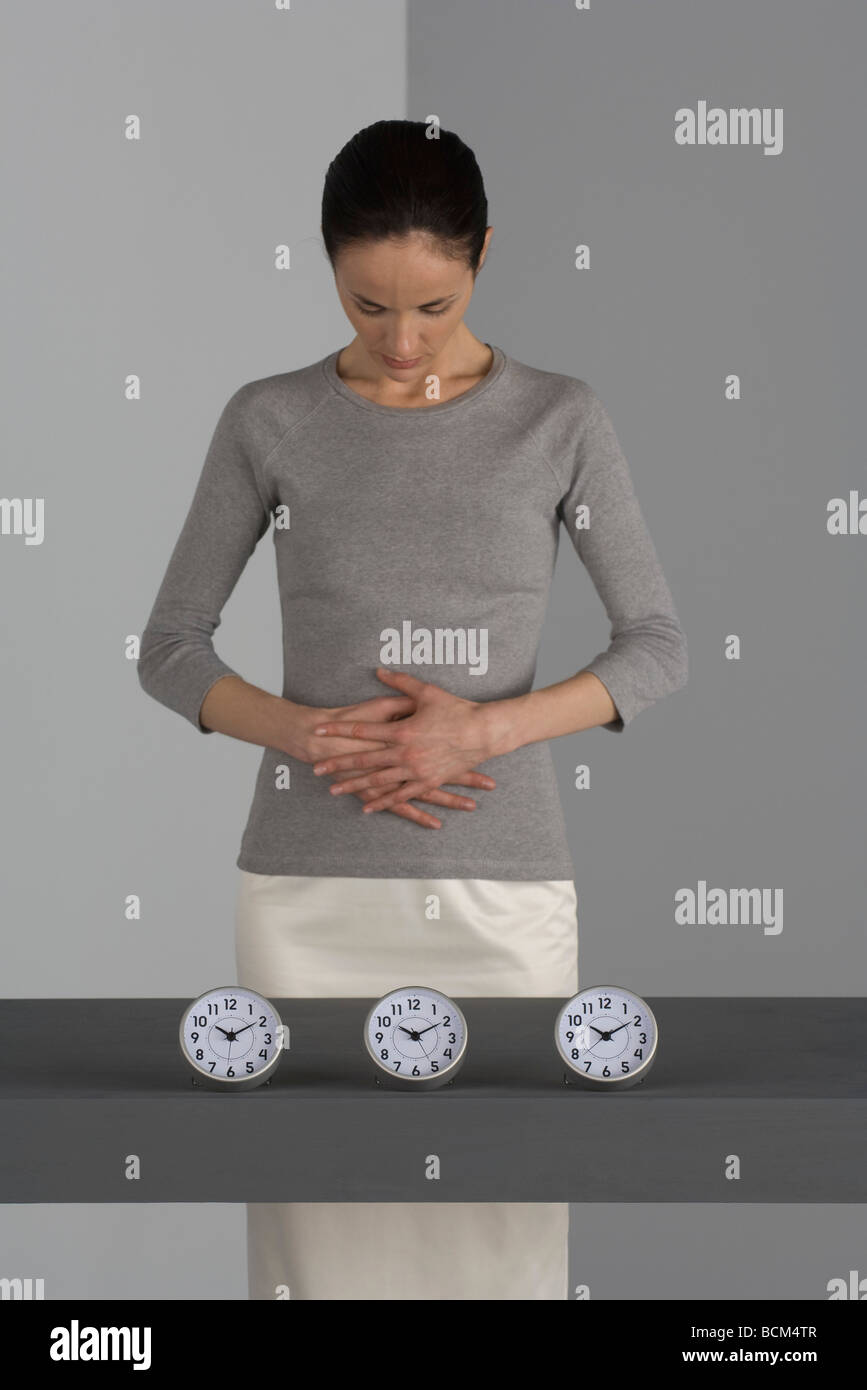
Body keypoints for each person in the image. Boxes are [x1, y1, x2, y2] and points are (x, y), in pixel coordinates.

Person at [138, 118, 688, 1300]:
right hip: (307, 889)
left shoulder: (562, 420)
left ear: (484, 255)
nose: (401, 340)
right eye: (366, 305)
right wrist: (300, 729)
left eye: (433, 306)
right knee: (317, 1243)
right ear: (328, 266)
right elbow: (169, 648)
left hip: (504, 892)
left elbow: (656, 648)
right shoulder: (268, 420)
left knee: (501, 1236)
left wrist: (482, 729)